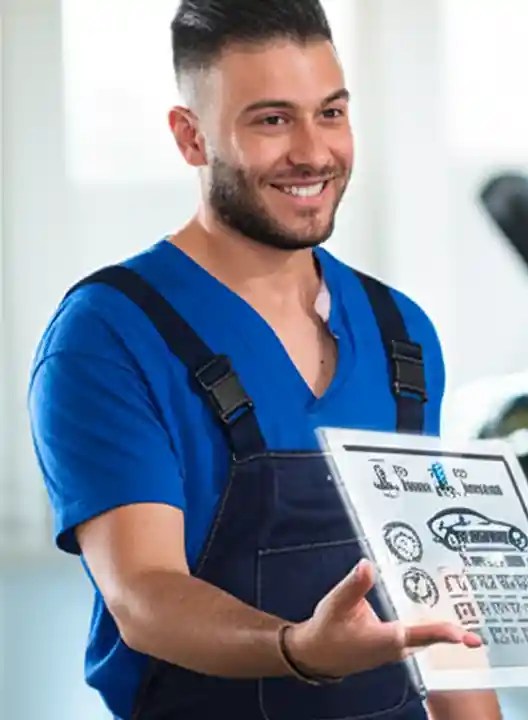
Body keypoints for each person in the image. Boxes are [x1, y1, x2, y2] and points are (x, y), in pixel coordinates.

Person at [28, 1, 502, 718]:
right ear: (191, 138)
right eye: (272, 120)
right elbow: (144, 593)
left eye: (332, 113)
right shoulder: (108, 335)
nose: (313, 152)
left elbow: (436, 590)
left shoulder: (400, 331)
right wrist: (298, 648)